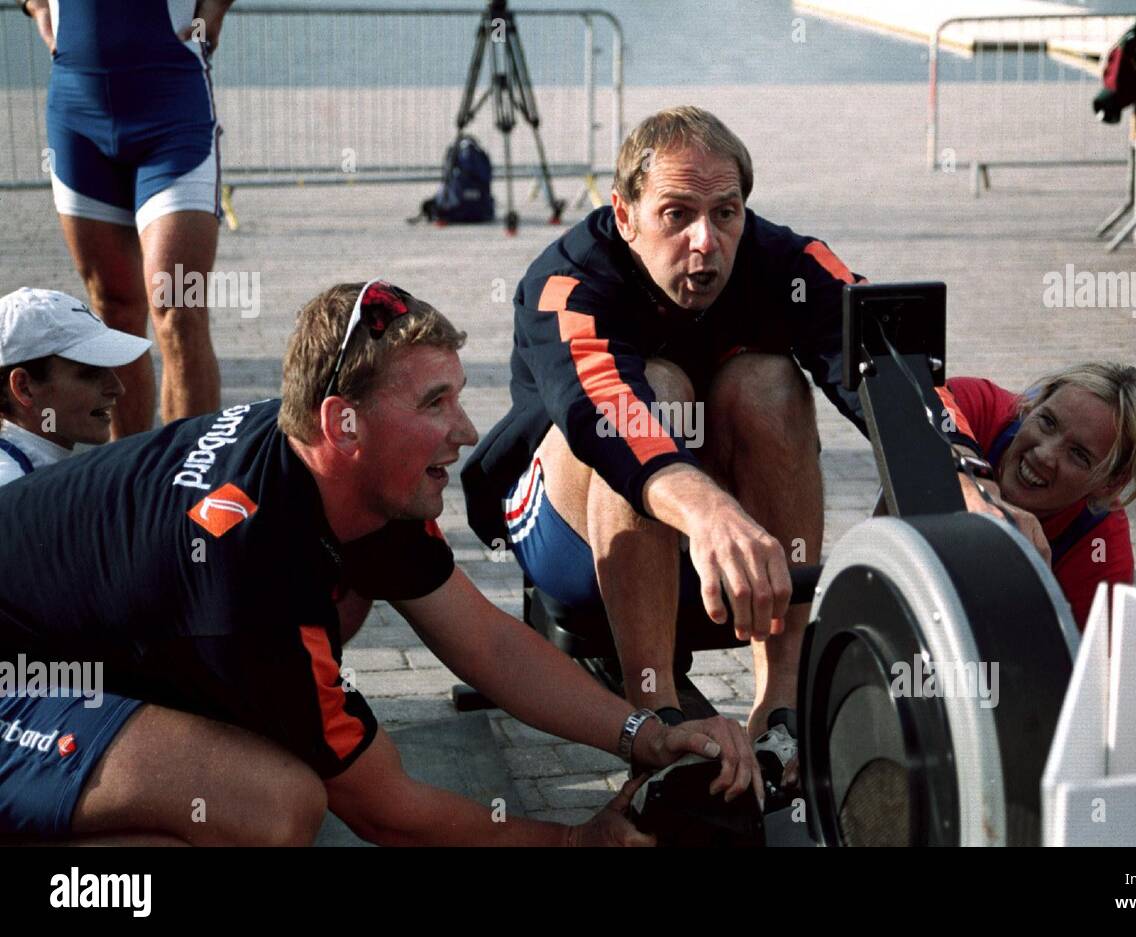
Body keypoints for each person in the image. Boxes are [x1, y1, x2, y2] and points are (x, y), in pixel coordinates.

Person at [0, 279, 761, 846]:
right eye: (435, 403)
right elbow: (384, 810)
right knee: (275, 806)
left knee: (341, 611)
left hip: (89, 632)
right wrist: (570, 841)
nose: (465, 430)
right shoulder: (251, 571)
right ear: (345, 421)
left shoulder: (338, 470)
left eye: (457, 397)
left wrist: (643, 732)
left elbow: (485, 641)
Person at [461, 106, 1012, 754]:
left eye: (725, 213)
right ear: (624, 212)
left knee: (769, 384)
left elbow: (881, 355)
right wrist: (711, 512)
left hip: (713, 544)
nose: (706, 240)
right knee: (659, 390)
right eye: (677, 215)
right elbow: (606, 412)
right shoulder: (568, 279)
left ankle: (780, 701)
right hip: (567, 536)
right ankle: (657, 720)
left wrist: (962, 478)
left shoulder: (782, 261)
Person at [19, 0, 230, 435]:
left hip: (172, 106)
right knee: (115, 311)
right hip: (78, 109)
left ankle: (191, 484)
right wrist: (38, 9)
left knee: (179, 307)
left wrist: (210, 16)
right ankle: (129, 482)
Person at [943, 363, 1136, 628]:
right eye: (1047, 422)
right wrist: (974, 483)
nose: (1044, 455)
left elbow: (1089, 664)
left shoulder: (1101, 553)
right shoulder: (986, 410)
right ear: (1030, 407)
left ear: (1110, 484)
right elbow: (915, 393)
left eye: (1079, 455)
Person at [0, 287, 151, 486]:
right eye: (90, 373)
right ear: (24, 388)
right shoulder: (10, 485)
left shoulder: (31, 471)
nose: (117, 388)